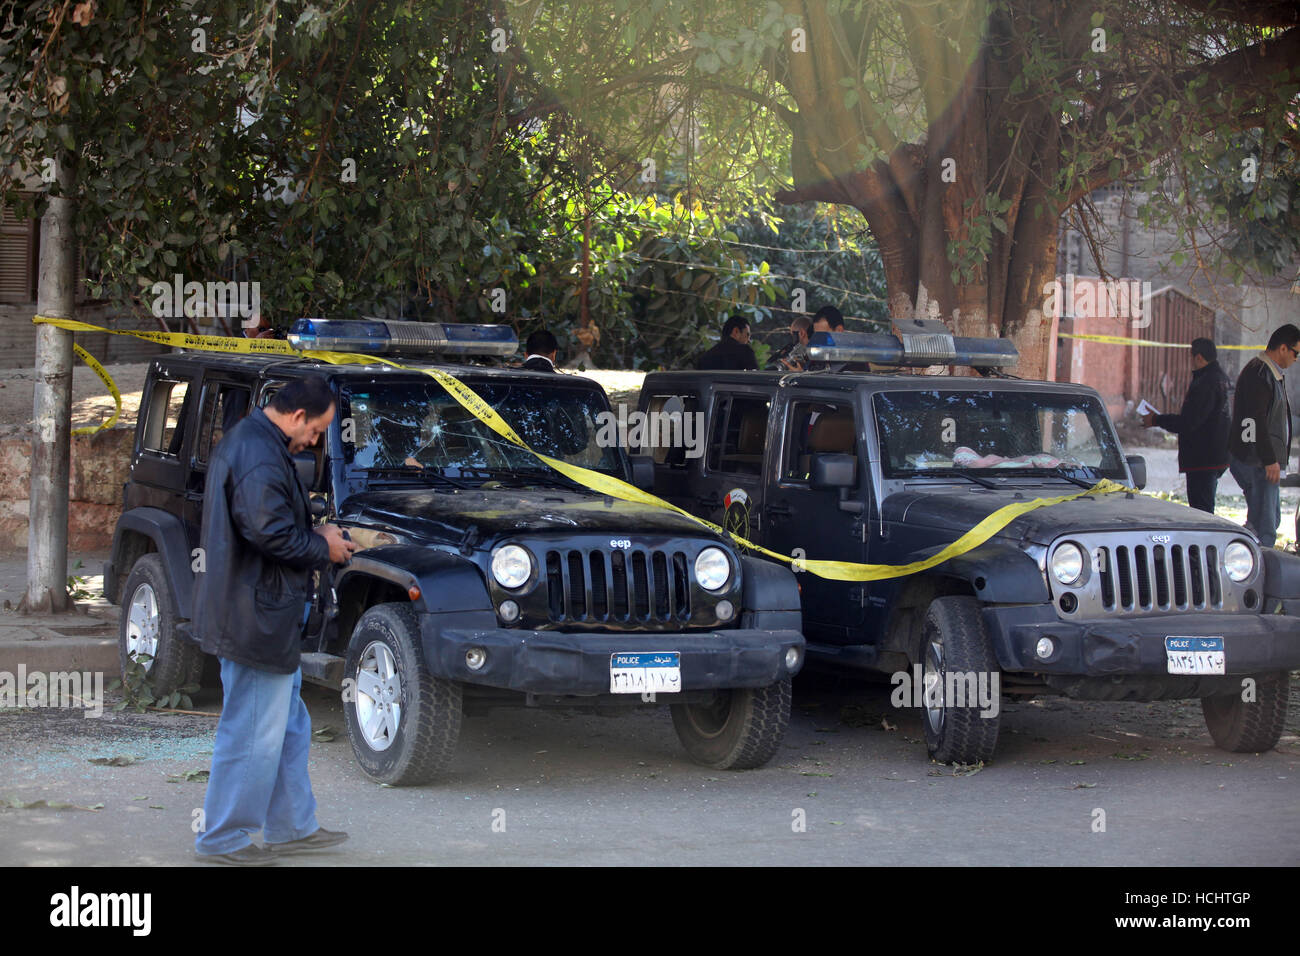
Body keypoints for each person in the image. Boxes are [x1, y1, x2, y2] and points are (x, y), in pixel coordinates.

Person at [193, 375, 356, 865]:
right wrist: (322, 545)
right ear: (298, 416)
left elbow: (271, 525)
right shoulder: (259, 453)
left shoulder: (258, 443)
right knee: (252, 732)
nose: (317, 441)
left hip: (259, 611)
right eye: (318, 430)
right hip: (252, 616)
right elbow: (271, 534)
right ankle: (222, 839)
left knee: (286, 727)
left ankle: (290, 826)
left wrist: (315, 529)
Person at [1228, 324, 1300, 547]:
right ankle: (1257, 573)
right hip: (1256, 461)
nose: (1296, 358)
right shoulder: (1259, 373)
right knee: (1264, 528)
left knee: (1269, 520)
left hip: (1261, 460)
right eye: (1296, 353)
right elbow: (1255, 420)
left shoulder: (1268, 372)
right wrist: (1268, 460)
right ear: (1282, 348)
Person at [1141, 337, 1230, 513]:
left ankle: (1204, 541)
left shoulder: (1206, 383)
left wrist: (1157, 420)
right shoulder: (1221, 379)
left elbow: (1189, 422)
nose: (1189, 361)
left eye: (1191, 357)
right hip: (1216, 455)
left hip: (1203, 458)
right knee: (1203, 509)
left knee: (1201, 513)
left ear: (1198, 357)